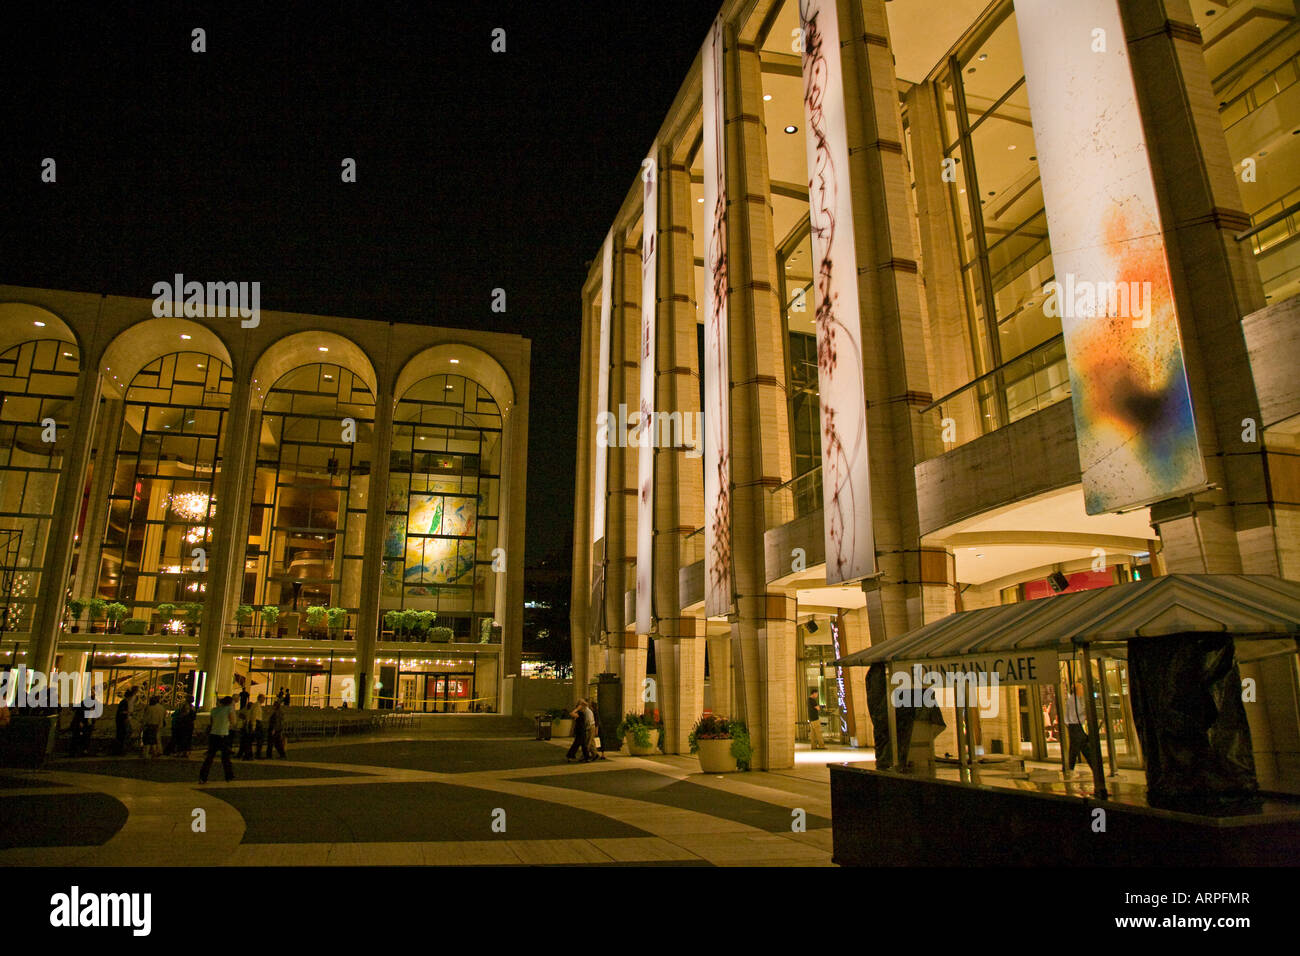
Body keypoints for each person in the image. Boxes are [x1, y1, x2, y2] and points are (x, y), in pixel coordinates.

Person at [1064, 681, 1102, 778]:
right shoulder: (1073, 701)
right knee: (1082, 747)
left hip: (1075, 726)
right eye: (1081, 689)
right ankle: (1093, 768)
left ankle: (1071, 768)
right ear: (1076, 690)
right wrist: (1085, 714)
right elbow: (1074, 715)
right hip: (1075, 726)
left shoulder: (1074, 700)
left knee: (1078, 748)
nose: (1082, 691)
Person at [199, 696, 237, 783]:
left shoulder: (214, 710)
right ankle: (229, 775)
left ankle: (203, 776)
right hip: (223, 735)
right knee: (225, 757)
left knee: (209, 757)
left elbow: (212, 722)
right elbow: (233, 721)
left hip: (213, 734)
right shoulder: (229, 709)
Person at [140, 695, 166, 759]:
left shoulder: (149, 708)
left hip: (149, 725)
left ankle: (146, 754)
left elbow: (146, 717)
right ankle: (156, 752)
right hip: (157, 725)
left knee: (147, 741)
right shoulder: (161, 708)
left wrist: (143, 724)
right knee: (154, 739)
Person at [114, 688, 137, 755]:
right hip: (123, 721)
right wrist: (129, 713)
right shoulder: (124, 702)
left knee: (127, 733)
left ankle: (122, 749)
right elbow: (122, 712)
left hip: (123, 720)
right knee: (123, 735)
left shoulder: (126, 702)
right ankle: (121, 750)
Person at [250, 694, 266, 758]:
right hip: (257, 722)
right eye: (263, 698)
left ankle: (257, 753)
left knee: (259, 739)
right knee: (260, 739)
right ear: (259, 698)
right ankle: (258, 754)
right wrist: (254, 725)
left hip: (258, 722)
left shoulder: (257, 705)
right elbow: (254, 715)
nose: (264, 700)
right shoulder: (256, 706)